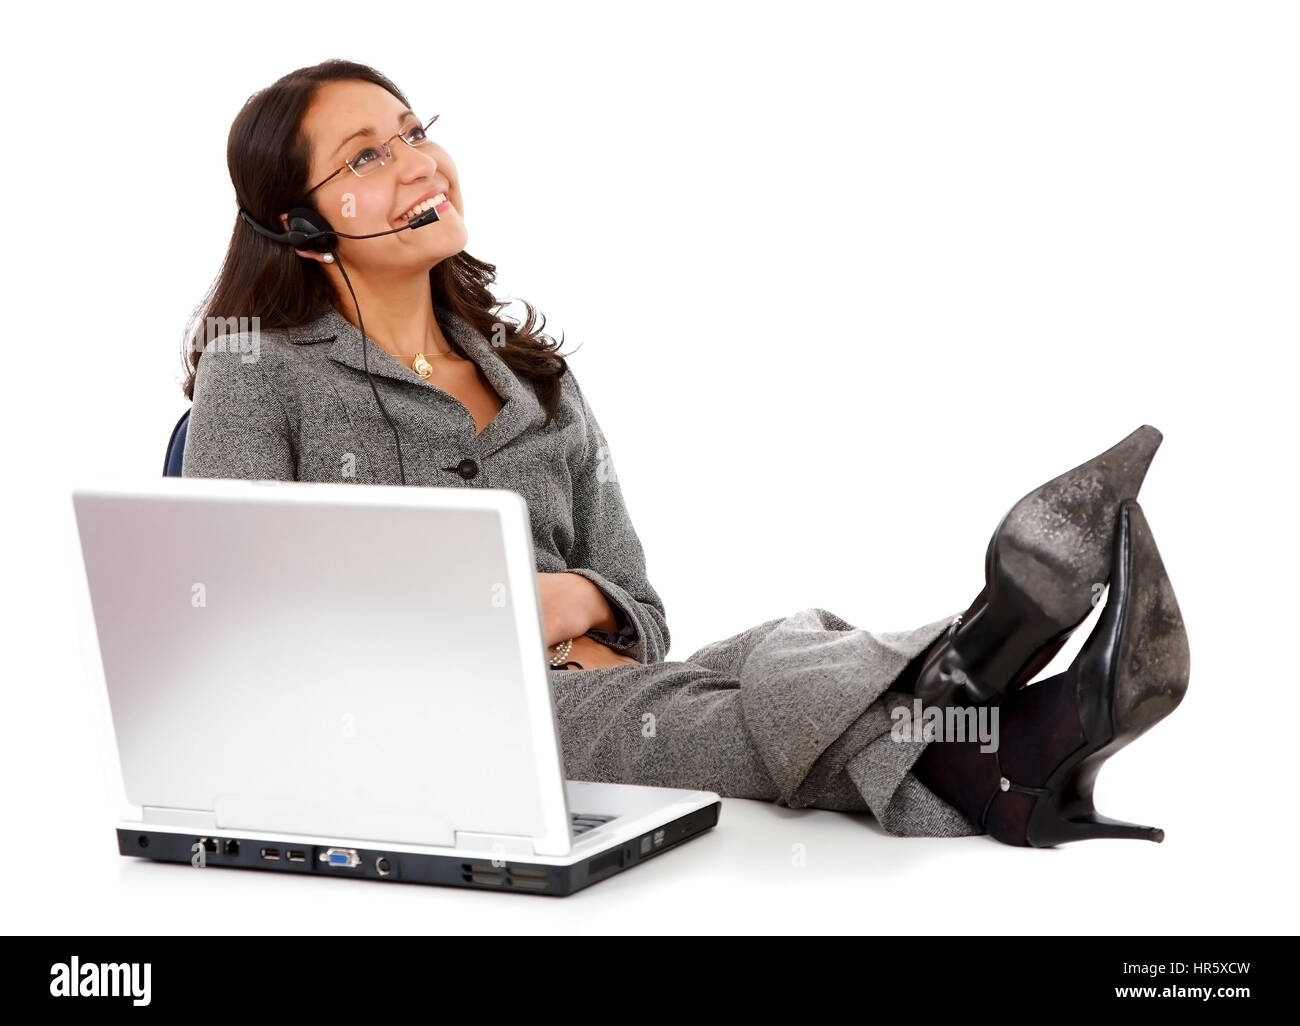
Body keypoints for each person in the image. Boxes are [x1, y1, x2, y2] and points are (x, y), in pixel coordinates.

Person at [182, 60, 1190, 848]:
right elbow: (234, 631)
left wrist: (574, 599)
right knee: (715, 713)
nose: (416, 163)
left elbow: (646, 616)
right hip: (439, 724)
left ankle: (1003, 737)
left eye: (413, 131)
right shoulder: (261, 371)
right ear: (300, 222)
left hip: (606, 682)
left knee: (777, 648)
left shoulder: (535, 376)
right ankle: (993, 699)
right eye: (365, 157)